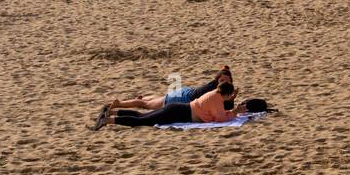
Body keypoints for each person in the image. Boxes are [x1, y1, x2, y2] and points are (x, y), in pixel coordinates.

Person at [97, 68, 234, 118]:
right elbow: (223, 110)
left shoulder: (217, 86)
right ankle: (119, 103)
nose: (223, 83)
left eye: (226, 81)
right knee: (145, 105)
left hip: (183, 91)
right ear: (217, 80)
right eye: (222, 80)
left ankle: (141, 97)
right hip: (181, 98)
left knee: (157, 99)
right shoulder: (215, 90)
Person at [100, 82, 244, 129]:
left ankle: (112, 113)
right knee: (142, 121)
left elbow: (216, 114)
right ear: (226, 94)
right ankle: (107, 120)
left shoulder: (214, 93)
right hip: (178, 112)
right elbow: (219, 118)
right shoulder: (216, 99)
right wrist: (235, 112)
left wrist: (231, 110)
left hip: (177, 108)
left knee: (142, 115)